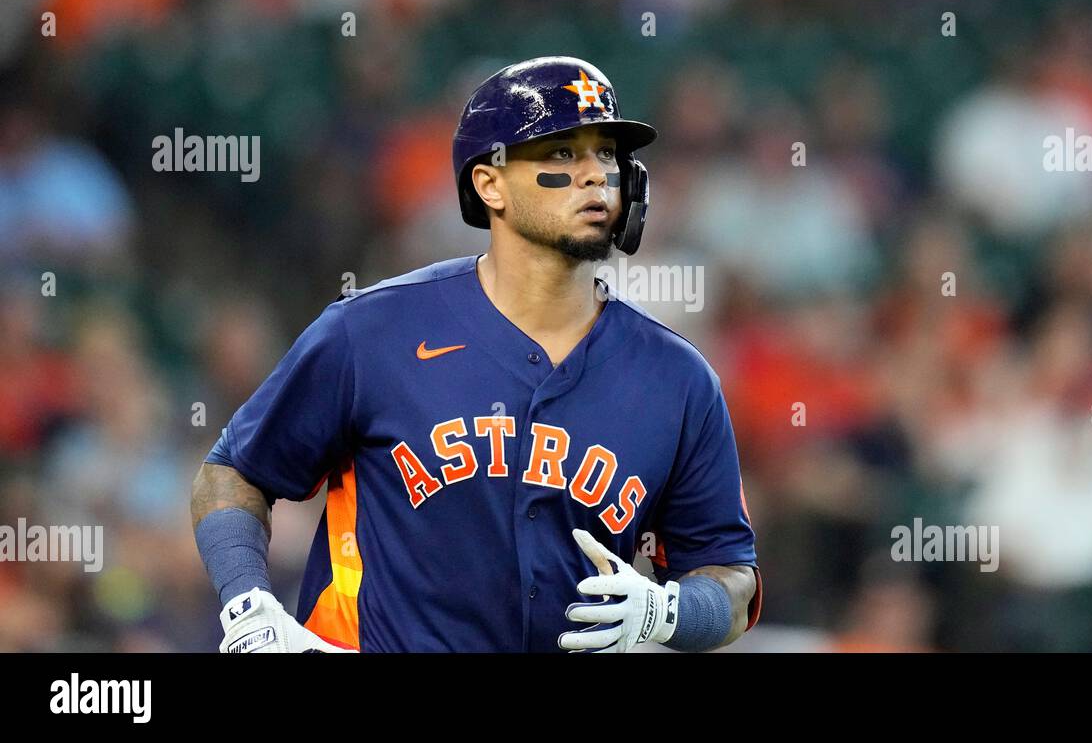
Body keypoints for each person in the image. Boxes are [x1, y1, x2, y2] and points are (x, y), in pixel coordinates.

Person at [191, 56, 761, 652]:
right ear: (489, 184)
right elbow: (232, 472)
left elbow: (731, 581)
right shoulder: (372, 331)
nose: (596, 176)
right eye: (562, 153)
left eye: (608, 155)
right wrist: (247, 605)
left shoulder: (678, 379)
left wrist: (668, 612)